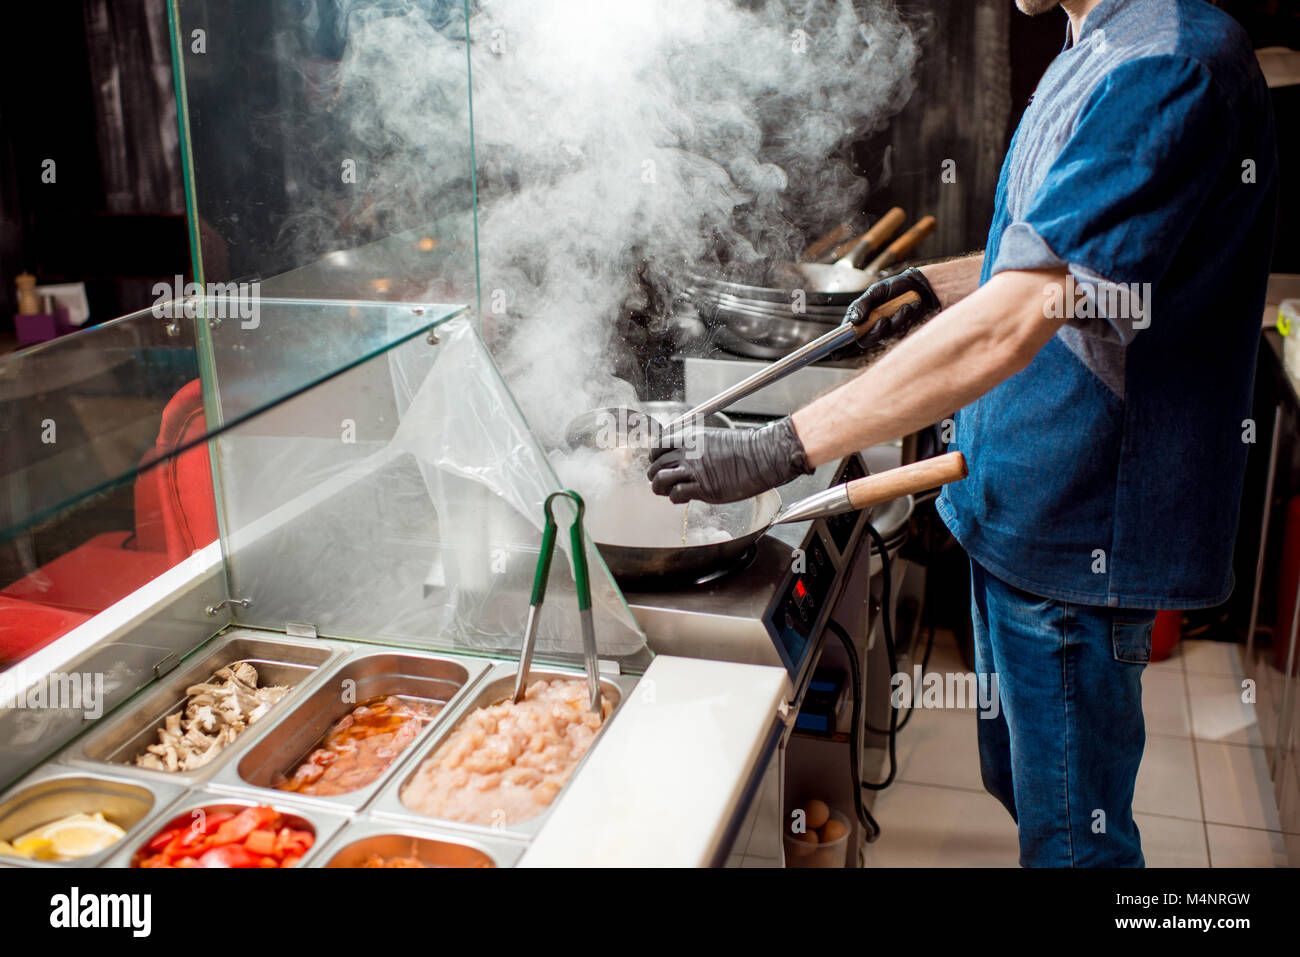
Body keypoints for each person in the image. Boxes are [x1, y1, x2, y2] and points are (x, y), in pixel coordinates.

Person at [648, 0, 1278, 867]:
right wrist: (940, 287)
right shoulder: (1096, 43)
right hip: (1019, 510)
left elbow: (1015, 318)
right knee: (1027, 794)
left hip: (1078, 528)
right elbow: (1052, 262)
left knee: (1073, 842)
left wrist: (776, 447)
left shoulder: (1167, 64)